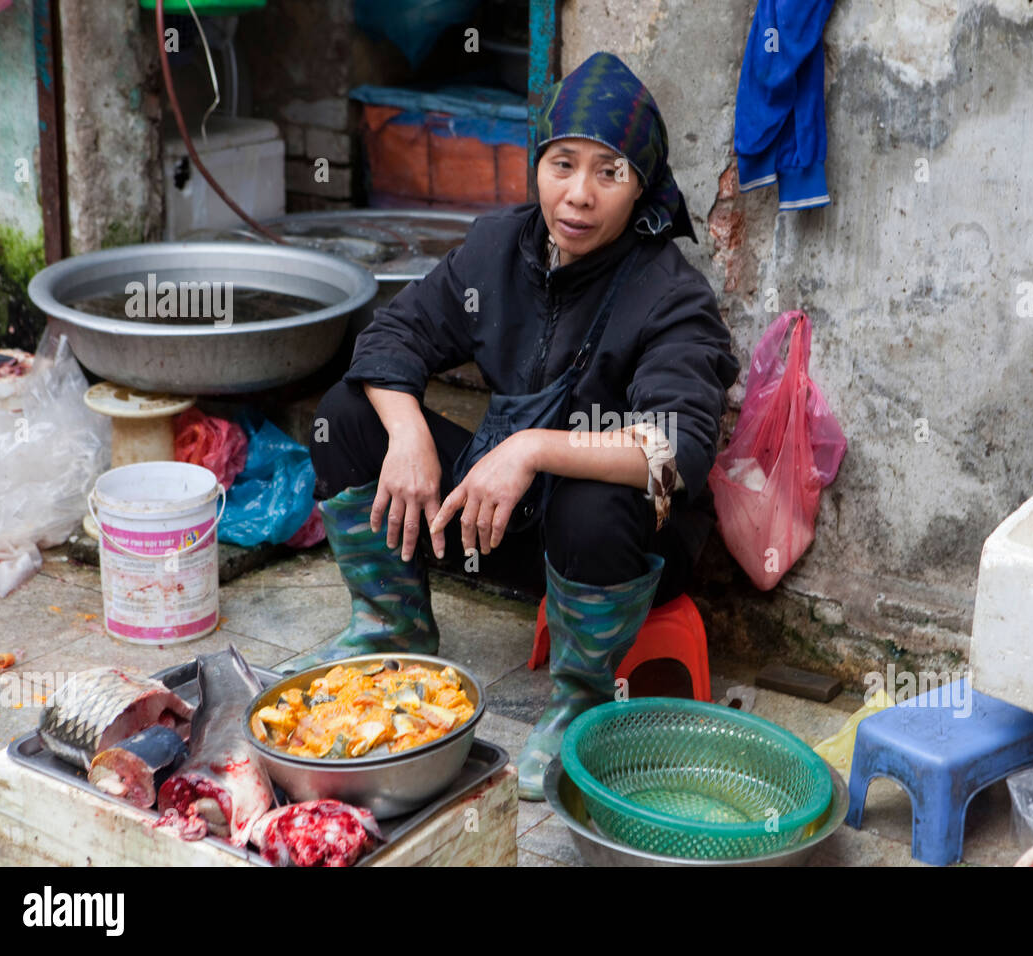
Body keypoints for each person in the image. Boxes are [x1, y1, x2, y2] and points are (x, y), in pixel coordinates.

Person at [290, 51, 740, 801]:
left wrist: (531, 449)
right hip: (493, 521)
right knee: (348, 417)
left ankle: (582, 701)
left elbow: (678, 454)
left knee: (598, 499)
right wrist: (407, 437)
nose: (579, 195)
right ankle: (392, 630)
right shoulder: (500, 247)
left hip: (613, 548)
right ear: (538, 162)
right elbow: (390, 337)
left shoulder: (669, 295)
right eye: (562, 164)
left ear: (642, 186)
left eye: (609, 172)